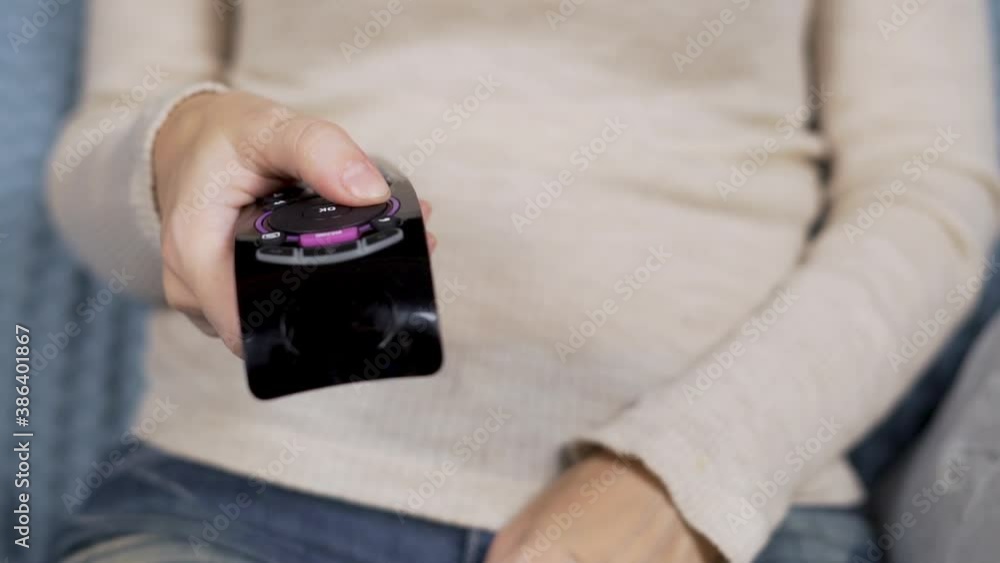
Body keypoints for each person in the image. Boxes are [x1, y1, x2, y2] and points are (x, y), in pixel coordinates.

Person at [47, 1, 999, 562]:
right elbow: (101, 151)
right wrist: (173, 153)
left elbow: (931, 188)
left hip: (720, 519)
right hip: (244, 493)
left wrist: (687, 474)